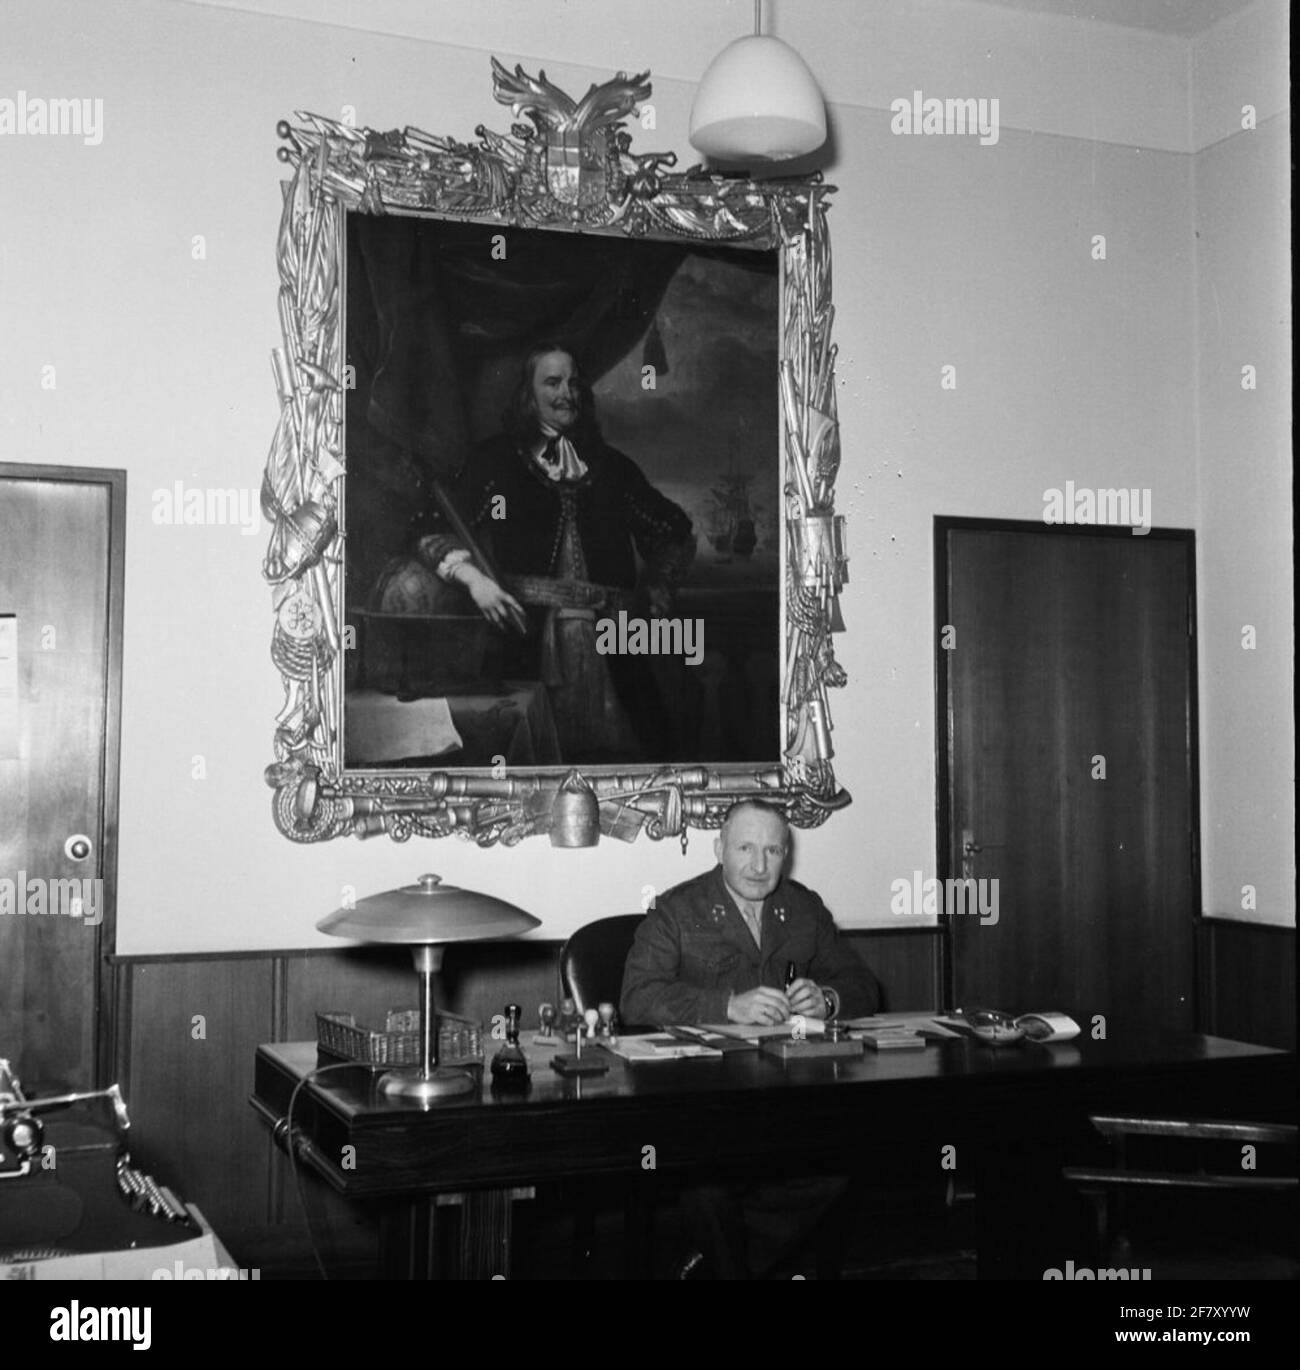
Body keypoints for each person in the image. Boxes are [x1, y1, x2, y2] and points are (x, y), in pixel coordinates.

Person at [620, 799, 880, 1278]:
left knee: (838, 1162)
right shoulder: (676, 910)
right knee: (708, 1180)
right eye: (745, 848)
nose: (760, 866)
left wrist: (827, 998)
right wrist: (726, 1006)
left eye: (773, 851)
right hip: (698, 1096)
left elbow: (863, 985)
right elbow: (637, 998)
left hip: (785, 1093)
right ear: (719, 849)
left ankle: (712, 1269)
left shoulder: (804, 908)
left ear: (787, 854)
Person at [411, 343, 695, 760]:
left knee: (631, 755)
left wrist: (657, 585)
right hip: (525, 642)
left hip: (614, 645)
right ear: (529, 393)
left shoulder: (613, 468)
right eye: (553, 382)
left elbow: (673, 531)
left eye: (574, 382)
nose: (567, 392)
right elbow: (428, 530)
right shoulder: (494, 462)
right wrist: (475, 582)